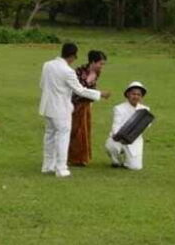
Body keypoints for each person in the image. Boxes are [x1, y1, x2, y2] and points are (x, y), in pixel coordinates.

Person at [39, 43, 111, 178]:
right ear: (72, 56)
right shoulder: (68, 71)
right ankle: (61, 168)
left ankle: (47, 165)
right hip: (61, 108)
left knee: (49, 135)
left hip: (47, 106)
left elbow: (42, 84)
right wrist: (100, 94)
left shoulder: (47, 65)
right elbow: (80, 90)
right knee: (62, 136)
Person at [68, 50, 107, 166]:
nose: (102, 66)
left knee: (84, 131)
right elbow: (78, 89)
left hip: (86, 105)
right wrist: (99, 93)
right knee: (76, 131)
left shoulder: (97, 73)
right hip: (75, 104)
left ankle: (81, 158)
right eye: (100, 63)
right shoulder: (78, 72)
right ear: (93, 62)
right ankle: (73, 157)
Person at [106, 82, 150, 170]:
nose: (136, 96)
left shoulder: (145, 110)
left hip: (134, 140)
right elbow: (116, 125)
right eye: (133, 94)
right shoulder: (119, 108)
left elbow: (146, 125)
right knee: (112, 146)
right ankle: (116, 161)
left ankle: (127, 162)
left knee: (136, 167)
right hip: (118, 137)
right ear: (128, 94)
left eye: (138, 94)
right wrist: (118, 136)